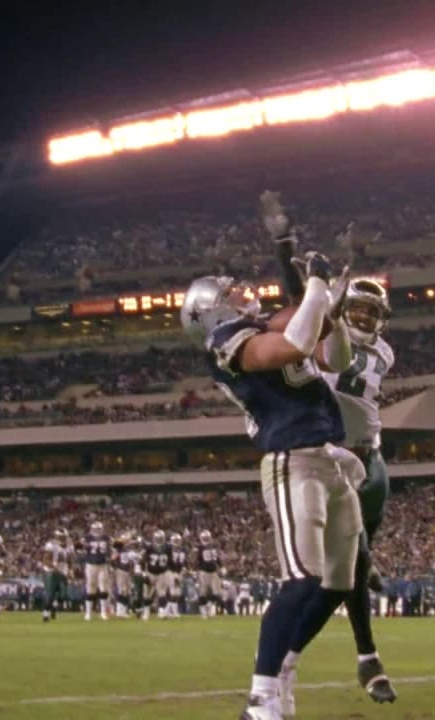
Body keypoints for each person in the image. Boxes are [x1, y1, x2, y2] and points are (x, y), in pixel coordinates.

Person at [182, 222, 364, 719]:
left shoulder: (264, 326)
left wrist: (333, 311)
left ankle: (284, 667)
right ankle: (261, 699)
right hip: (292, 462)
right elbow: (295, 346)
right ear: (209, 310)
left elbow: (335, 355)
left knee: (337, 586)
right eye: (228, 293)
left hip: (330, 458)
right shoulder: (227, 341)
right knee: (302, 580)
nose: (240, 293)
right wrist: (319, 290)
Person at [265, 190, 398, 707]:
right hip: (340, 465)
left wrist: (329, 291)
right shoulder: (323, 339)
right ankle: (365, 659)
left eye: (371, 311)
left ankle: (366, 569)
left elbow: (318, 314)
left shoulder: (378, 350)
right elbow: (304, 308)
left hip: (373, 463)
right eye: (357, 309)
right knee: (346, 572)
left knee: (353, 571)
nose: (364, 318)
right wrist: (286, 252)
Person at [41, 528, 74, 622]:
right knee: (50, 594)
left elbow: (70, 559)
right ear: (56, 537)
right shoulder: (51, 545)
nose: (63, 539)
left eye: (64, 537)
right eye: (61, 537)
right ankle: (45, 615)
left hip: (63, 571)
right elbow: (45, 560)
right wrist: (54, 567)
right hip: (50, 571)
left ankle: (54, 606)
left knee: (63, 595)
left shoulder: (70, 545)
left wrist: (71, 570)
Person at [81, 521, 111, 621]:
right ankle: (88, 613)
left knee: (103, 588)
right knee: (90, 588)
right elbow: (81, 547)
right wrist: (84, 546)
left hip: (103, 565)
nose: (97, 531)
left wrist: (109, 556)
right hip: (90, 564)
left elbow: (110, 549)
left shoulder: (106, 538)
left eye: (99, 529)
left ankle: (103, 612)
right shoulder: (87, 538)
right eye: (96, 529)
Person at [196, 530, 223, 619]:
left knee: (217, 593)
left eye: (207, 538)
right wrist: (198, 572)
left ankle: (209, 605)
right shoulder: (200, 548)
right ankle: (203, 612)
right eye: (204, 538)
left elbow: (217, 558)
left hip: (214, 571)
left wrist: (221, 567)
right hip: (204, 572)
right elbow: (198, 561)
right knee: (203, 592)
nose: (206, 539)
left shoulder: (214, 546)